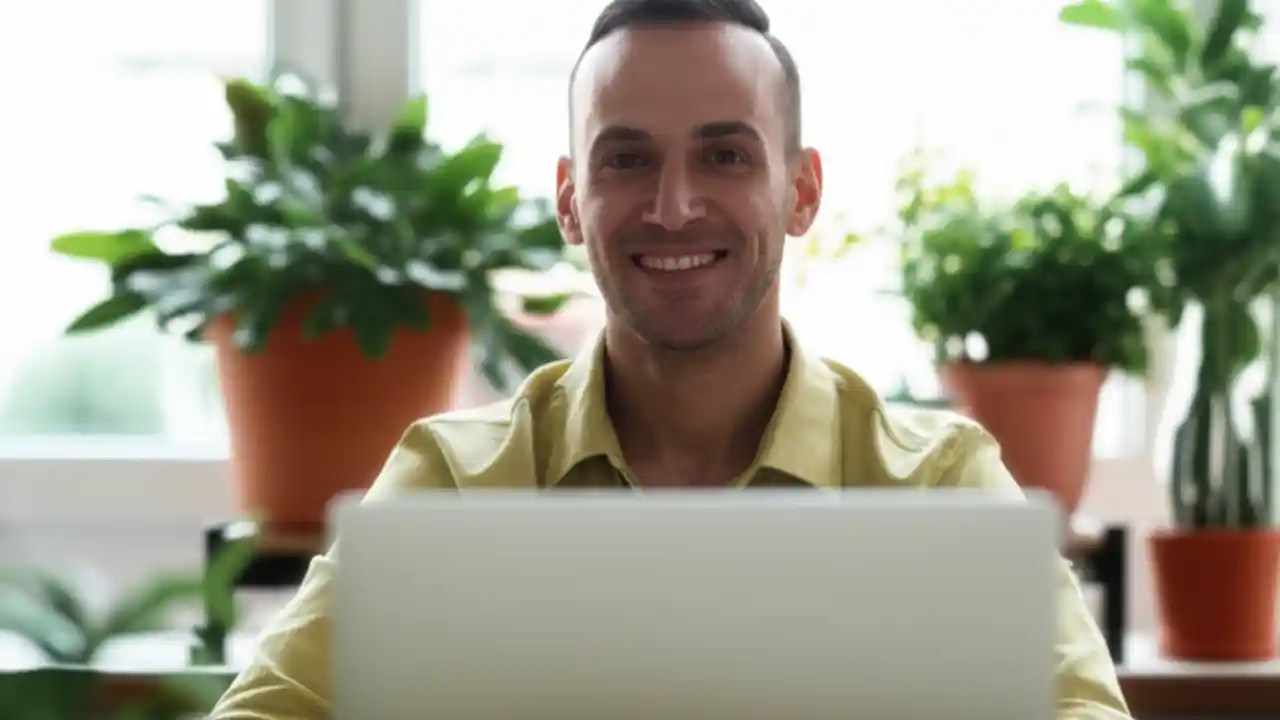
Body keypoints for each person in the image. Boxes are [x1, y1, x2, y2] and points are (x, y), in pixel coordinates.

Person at [210, 0, 1132, 717]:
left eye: (726, 155)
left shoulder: (941, 487)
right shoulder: (452, 483)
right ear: (570, 201)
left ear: (800, 190)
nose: (675, 205)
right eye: (626, 160)